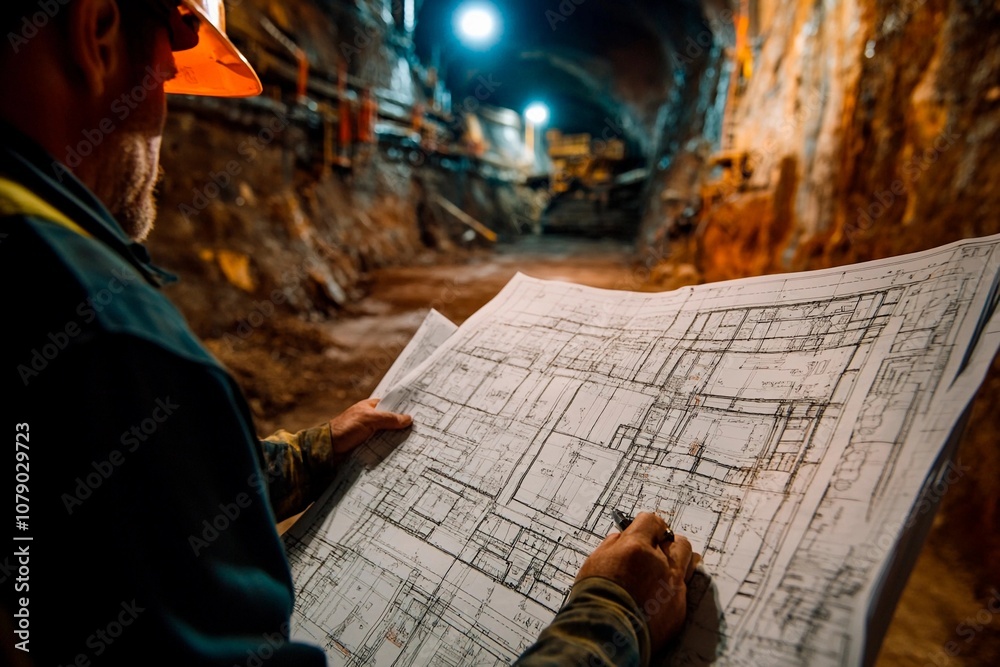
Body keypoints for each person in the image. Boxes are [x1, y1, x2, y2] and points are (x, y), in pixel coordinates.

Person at [0, 1, 700, 665]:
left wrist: (305, 455)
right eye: (166, 73)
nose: (164, 112)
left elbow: (107, 512)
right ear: (97, 32)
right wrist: (612, 621)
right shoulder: (105, 342)